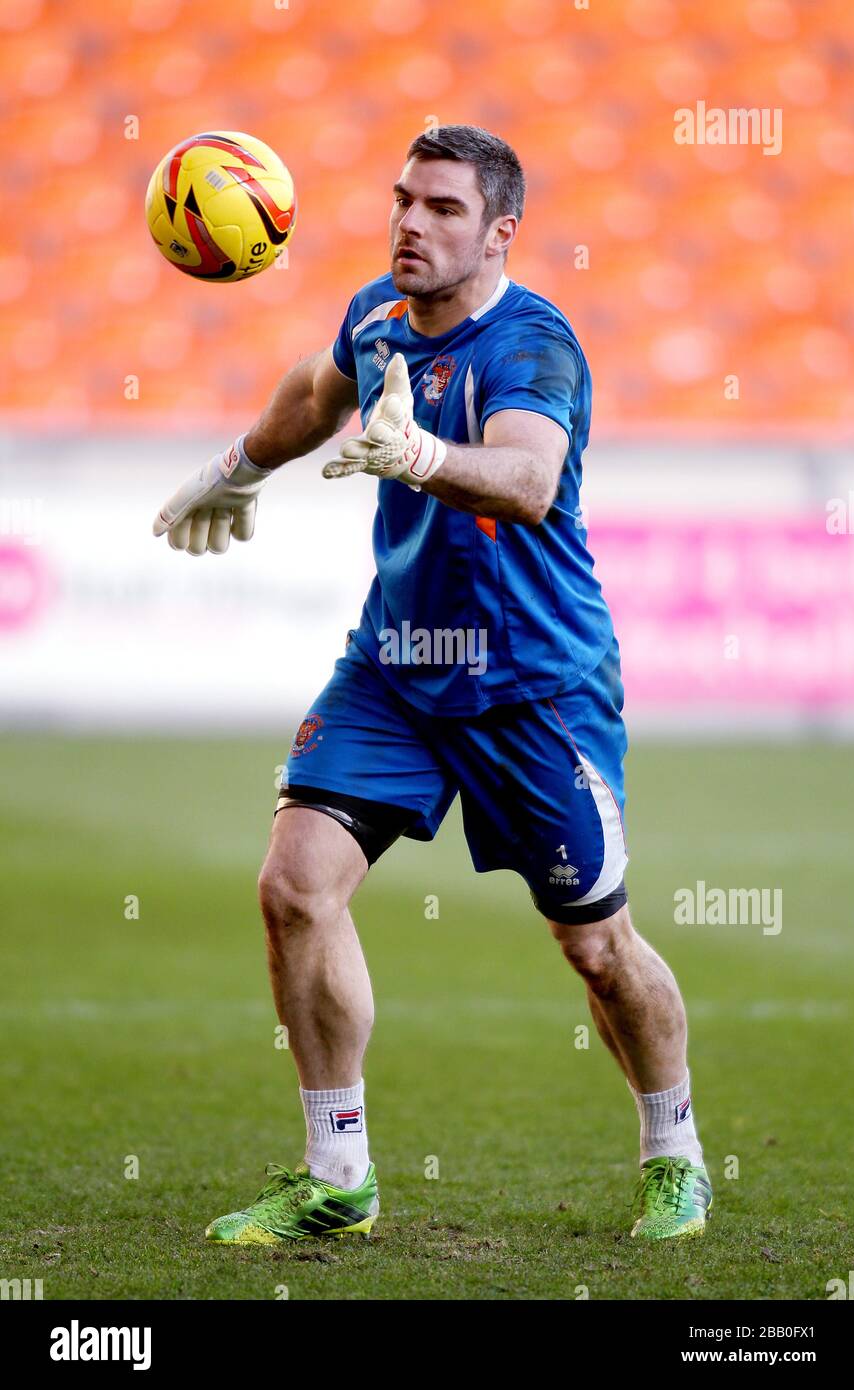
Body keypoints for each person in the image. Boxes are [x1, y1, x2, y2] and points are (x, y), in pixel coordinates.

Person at [153, 124, 712, 1245]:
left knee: (595, 944)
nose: (410, 222)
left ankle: (673, 1150)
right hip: (398, 666)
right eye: (403, 199)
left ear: (500, 232)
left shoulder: (534, 344)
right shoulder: (374, 315)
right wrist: (238, 469)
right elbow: (319, 390)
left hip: (531, 683)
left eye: (443, 208)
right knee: (294, 883)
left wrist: (419, 458)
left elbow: (527, 478)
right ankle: (337, 1175)